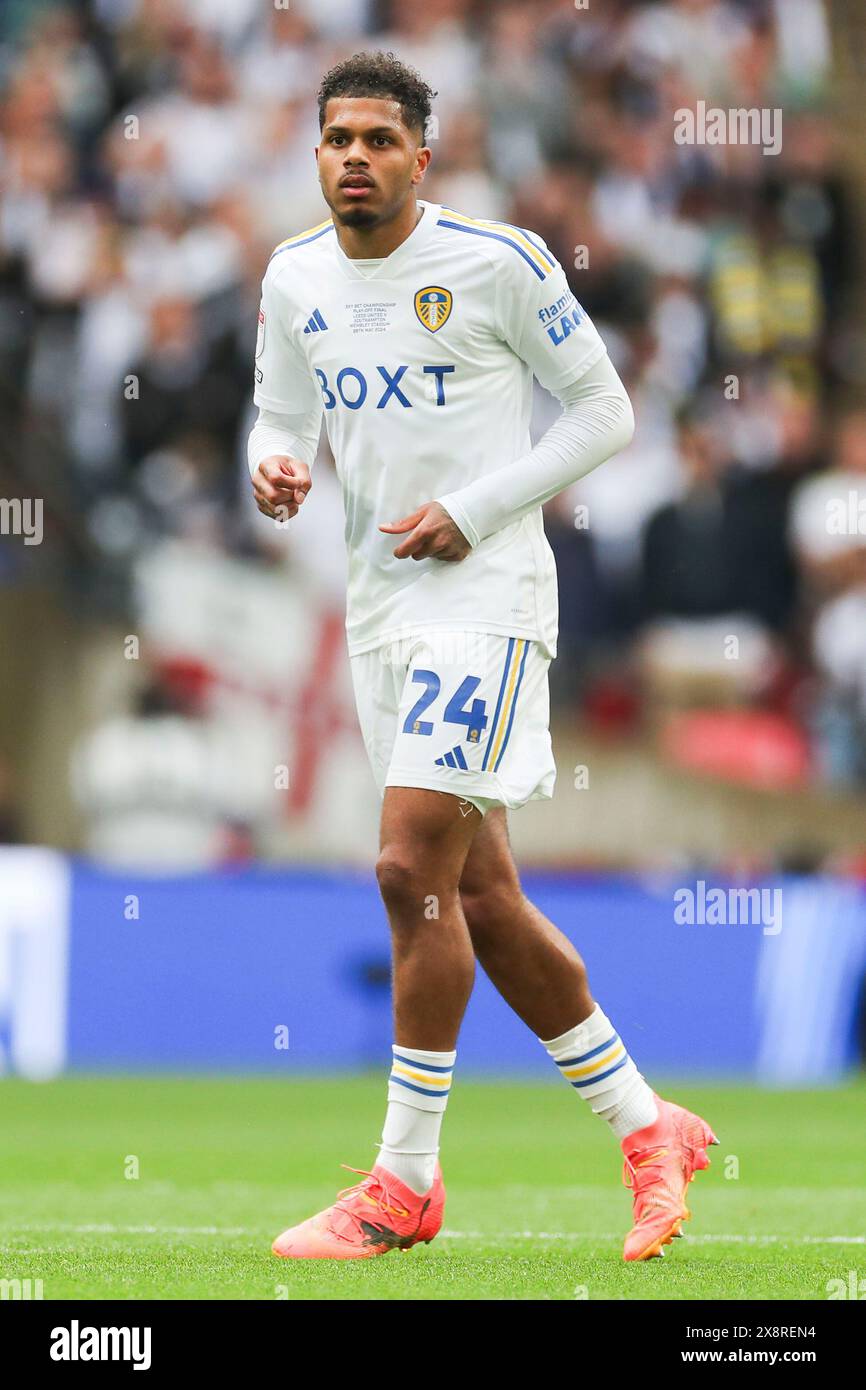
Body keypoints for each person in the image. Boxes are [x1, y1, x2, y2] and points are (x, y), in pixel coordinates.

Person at [247, 50, 717, 1264]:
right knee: (483, 896)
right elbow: (282, 413)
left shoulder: (496, 264)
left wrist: (478, 506)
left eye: (378, 140)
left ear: (420, 154)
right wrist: (275, 460)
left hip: (486, 601)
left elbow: (602, 409)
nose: (355, 157)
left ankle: (402, 1183)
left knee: (407, 868)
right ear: (317, 153)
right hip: (379, 613)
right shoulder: (293, 277)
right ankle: (641, 1121)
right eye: (336, 138)